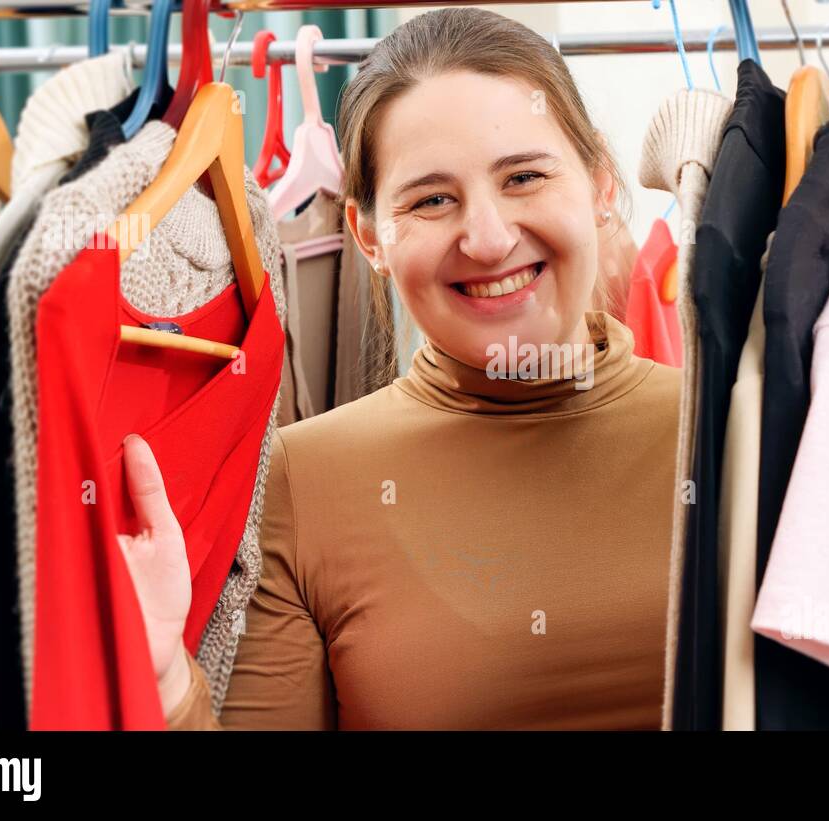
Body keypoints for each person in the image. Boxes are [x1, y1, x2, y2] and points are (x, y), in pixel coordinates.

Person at [118, 6, 682, 730]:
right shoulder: (297, 479)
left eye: (524, 177)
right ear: (368, 235)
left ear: (602, 184)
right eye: (432, 199)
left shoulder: (727, 432)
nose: (486, 238)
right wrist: (165, 680)